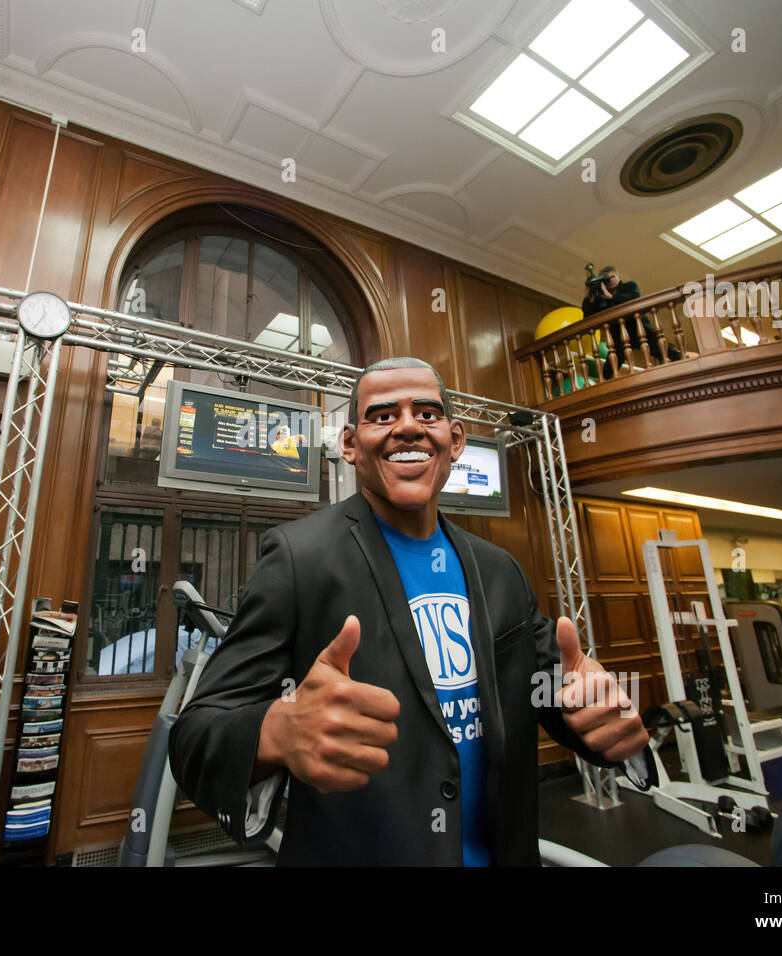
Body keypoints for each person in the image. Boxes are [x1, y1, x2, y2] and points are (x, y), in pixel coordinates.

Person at [168, 357, 651, 866]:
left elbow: (561, 691)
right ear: (351, 445)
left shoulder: (499, 570)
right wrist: (275, 731)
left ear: (455, 439)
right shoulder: (298, 559)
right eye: (382, 416)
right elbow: (196, 734)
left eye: (427, 413)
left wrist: (604, 714)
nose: (407, 427)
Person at [582, 265, 680, 371]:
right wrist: (589, 296)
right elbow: (587, 317)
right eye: (606, 279)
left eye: (612, 277)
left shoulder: (629, 286)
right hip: (618, 336)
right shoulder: (600, 299)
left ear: (617, 276)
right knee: (609, 370)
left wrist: (610, 297)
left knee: (667, 352)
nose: (610, 280)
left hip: (640, 329)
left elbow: (634, 299)